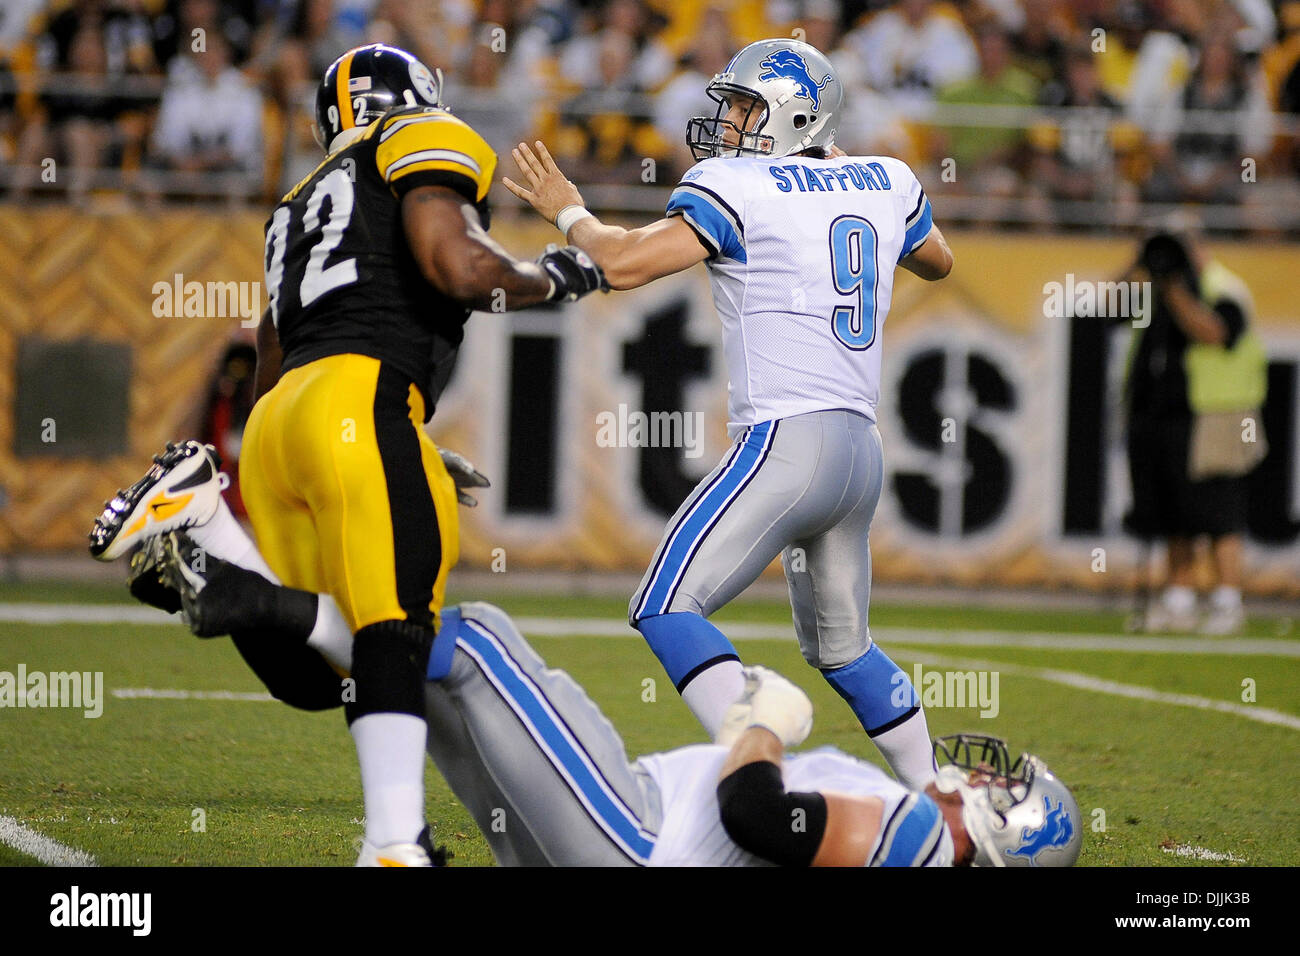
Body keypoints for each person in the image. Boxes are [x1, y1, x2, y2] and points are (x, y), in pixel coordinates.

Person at [90, 42, 608, 867]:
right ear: (417, 97)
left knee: (322, 673)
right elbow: (458, 265)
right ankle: (395, 845)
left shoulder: (298, 199)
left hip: (281, 425)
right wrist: (560, 276)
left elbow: (275, 347)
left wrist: (381, 447)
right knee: (396, 626)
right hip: (360, 399)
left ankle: (213, 536)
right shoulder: (422, 134)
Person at [103, 480, 1082, 868]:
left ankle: (243, 581)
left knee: (472, 639)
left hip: (632, 834)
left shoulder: (922, 842)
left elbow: (757, 816)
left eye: (1006, 787)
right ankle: (215, 550)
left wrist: (765, 724)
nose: (983, 772)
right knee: (395, 678)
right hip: (609, 840)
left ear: (1010, 836)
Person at [501, 38, 953, 790]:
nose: (730, 123)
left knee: (665, 606)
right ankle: (936, 792)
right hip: (859, 453)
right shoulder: (885, 179)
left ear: (796, 116)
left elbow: (621, 262)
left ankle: (761, 768)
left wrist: (567, 209)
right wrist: (844, 189)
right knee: (845, 651)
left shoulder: (737, 186)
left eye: (746, 108)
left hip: (787, 447)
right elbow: (938, 260)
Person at [1123, 230, 1267, 634]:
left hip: (1217, 413)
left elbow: (1215, 333)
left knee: (1221, 511)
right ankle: (1179, 600)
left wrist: (1175, 290)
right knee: (1174, 512)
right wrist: (1141, 265)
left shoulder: (1223, 288)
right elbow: (1105, 310)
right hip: (1167, 417)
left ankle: (1227, 602)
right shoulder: (1153, 289)